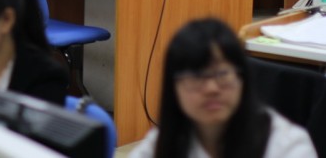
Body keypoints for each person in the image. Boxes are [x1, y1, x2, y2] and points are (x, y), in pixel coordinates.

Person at [131, 18, 316, 158]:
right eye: (196, 77)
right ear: (173, 88)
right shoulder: (161, 143)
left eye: (222, 75)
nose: (212, 88)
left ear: (243, 78)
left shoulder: (286, 145)